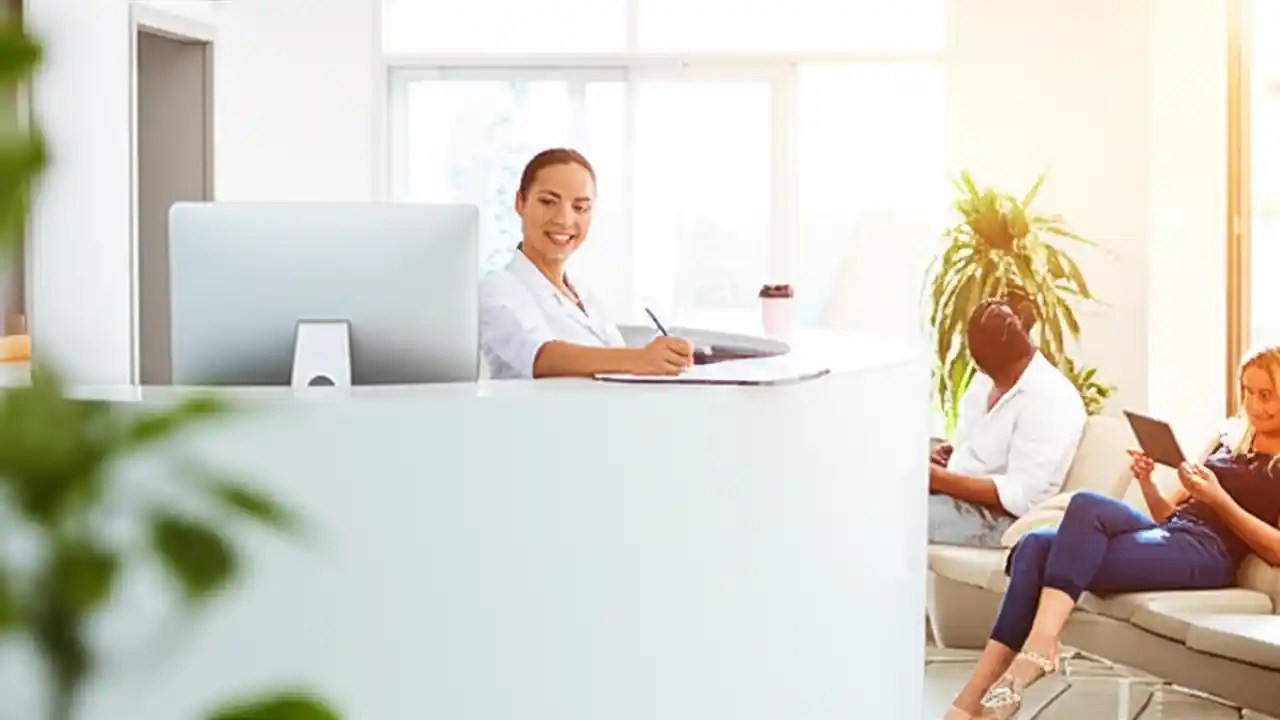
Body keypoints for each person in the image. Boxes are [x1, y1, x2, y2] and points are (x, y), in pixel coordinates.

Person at [942, 346, 1280, 720]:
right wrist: (1148, 482)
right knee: (1036, 544)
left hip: (1208, 555)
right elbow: (1167, 512)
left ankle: (1036, 649)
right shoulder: (1228, 443)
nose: (1254, 404)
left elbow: (1276, 550)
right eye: (1247, 391)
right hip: (1174, 533)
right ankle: (980, 696)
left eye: (1266, 395)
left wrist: (1219, 499)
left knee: (1083, 507)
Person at [479, 148, 693, 379]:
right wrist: (641, 359)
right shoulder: (497, 288)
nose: (564, 219)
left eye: (580, 207)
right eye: (548, 202)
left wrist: (664, 358)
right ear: (520, 203)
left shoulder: (583, 294)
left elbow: (614, 367)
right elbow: (540, 357)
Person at [929, 298, 1087, 547]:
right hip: (959, 496)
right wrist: (953, 456)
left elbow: (1024, 498)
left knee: (899, 515)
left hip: (1002, 519)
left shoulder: (1050, 399)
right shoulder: (985, 381)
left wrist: (938, 479)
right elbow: (978, 443)